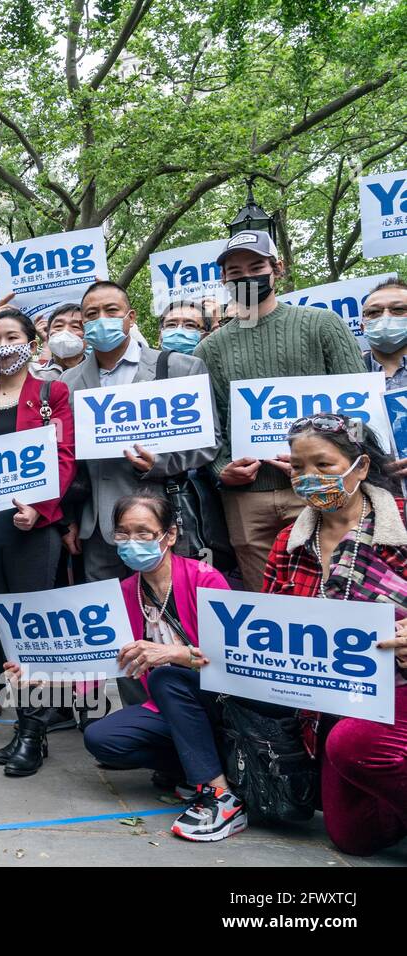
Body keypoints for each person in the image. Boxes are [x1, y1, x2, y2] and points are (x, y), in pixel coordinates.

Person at [261, 414, 407, 856]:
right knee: (353, 837)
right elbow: (271, 626)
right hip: (329, 700)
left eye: (323, 465)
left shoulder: (401, 523)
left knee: (354, 744)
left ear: (360, 467)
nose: (310, 478)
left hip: (398, 684)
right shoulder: (290, 541)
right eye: (299, 468)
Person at [193, 229, 364, 590]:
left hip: (320, 485)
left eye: (256, 266)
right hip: (246, 497)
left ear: (278, 268)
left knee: (332, 587)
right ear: (224, 279)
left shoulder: (322, 325)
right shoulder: (209, 350)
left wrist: (326, 464)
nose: (246, 277)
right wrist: (222, 468)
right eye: (235, 272)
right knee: (266, 596)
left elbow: (359, 408)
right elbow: (207, 423)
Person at [77, 493, 251, 840]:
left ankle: (220, 795)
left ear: (169, 535)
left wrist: (171, 654)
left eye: (143, 533)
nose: (131, 542)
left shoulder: (206, 578)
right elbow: (96, 662)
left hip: (220, 702)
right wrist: (37, 672)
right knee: (101, 739)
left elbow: (235, 658)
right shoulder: (127, 591)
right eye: (123, 534)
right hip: (169, 704)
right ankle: (201, 766)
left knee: (168, 676)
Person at [0, 308, 76, 771]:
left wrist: (41, 508)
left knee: (34, 635)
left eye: (12, 336)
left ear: (30, 343)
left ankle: (33, 731)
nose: (3, 344)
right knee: (4, 628)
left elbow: (63, 456)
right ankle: (23, 722)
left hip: (32, 529)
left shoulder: (53, 392)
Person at [62, 281, 217, 584]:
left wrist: (159, 464)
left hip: (160, 519)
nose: (101, 319)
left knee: (170, 611)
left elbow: (210, 443)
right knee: (112, 620)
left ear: (131, 318)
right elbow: (64, 457)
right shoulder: (67, 382)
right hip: (97, 527)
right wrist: (68, 519)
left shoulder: (179, 368)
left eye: (111, 311)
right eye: (92, 314)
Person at [362, 278, 407, 391]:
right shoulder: (343, 372)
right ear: (363, 328)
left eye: (398, 309)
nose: (385, 318)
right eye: (373, 312)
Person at [35, 302, 86, 380]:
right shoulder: (34, 376)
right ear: (48, 336)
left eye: (75, 326)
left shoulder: (101, 372)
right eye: (58, 326)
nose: (65, 331)